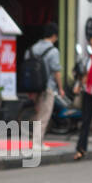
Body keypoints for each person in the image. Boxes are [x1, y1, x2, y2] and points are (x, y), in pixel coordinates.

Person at [27, 23, 62, 152]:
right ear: (54, 36)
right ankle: (37, 143)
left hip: (33, 87)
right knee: (44, 115)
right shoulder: (53, 51)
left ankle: (36, 141)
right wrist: (61, 87)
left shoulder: (32, 49)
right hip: (47, 87)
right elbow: (56, 71)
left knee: (38, 113)